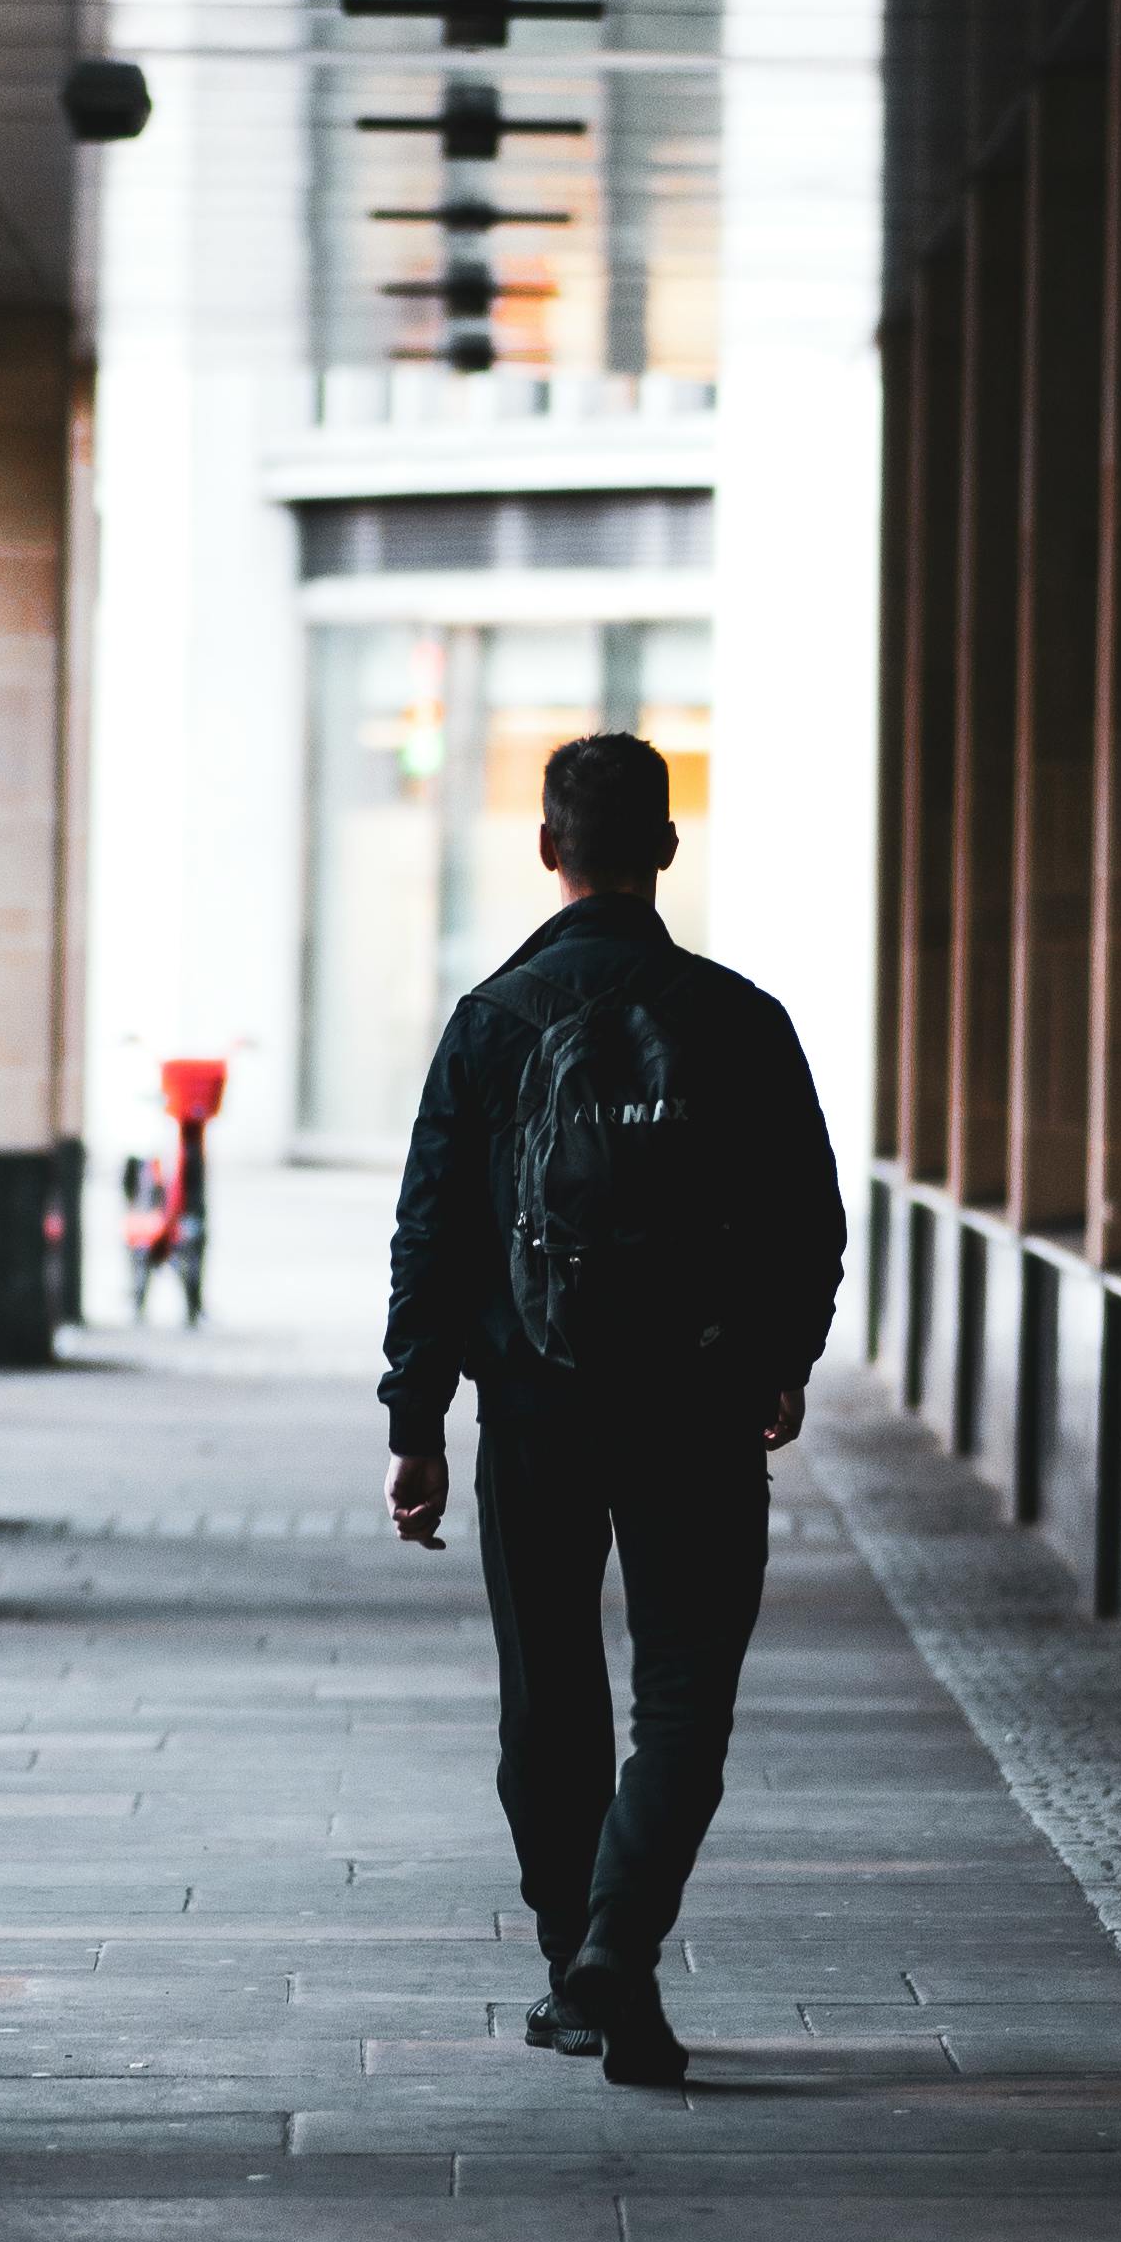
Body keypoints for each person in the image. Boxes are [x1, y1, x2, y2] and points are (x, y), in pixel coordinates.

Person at [379, 728, 847, 2086]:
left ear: (548, 849)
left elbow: (432, 1235)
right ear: (666, 849)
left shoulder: (491, 1023)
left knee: (549, 1698)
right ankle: (617, 1948)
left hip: (537, 1403)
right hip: (697, 1405)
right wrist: (780, 1358)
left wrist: (417, 1421)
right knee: (685, 1699)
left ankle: (572, 1969)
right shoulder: (739, 1019)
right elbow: (807, 1219)